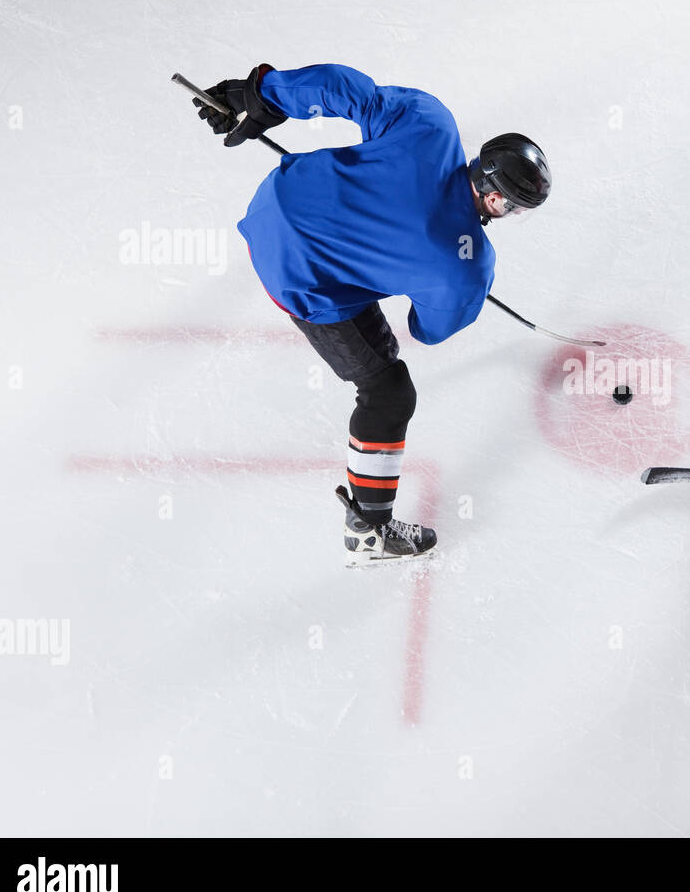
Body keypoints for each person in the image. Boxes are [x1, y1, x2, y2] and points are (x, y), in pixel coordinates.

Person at [194, 63, 551, 564]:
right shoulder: (467, 267)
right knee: (389, 391)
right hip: (297, 274)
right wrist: (423, 273)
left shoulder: (431, 124)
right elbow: (425, 330)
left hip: (274, 202)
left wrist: (258, 96)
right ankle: (370, 531)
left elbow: (345, 90)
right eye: (514, 208)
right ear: (496, 199)